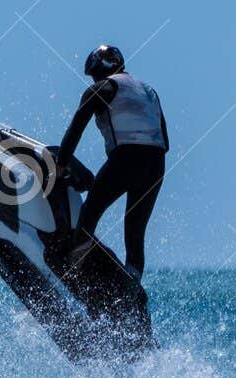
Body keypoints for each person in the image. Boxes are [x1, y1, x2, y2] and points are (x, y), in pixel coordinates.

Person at [50, 44, 168, 275]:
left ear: (99, 70)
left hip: (125, 159)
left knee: (90, 213)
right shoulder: (149, 91)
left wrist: (61, 165)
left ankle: (73, 271)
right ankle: (132, 282)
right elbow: (165, 141)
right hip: (156, 164)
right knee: (135, 232)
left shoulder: (100, 89)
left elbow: (75, 130)